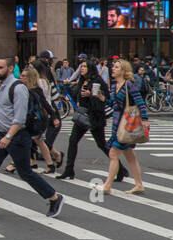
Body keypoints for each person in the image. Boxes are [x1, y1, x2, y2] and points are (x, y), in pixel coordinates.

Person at [0, 56, 65, 219]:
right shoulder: (2, 85)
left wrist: (8, 136)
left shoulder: (18, 88)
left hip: (17, 136)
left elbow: (19, 119)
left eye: (0, 68)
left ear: (11, 69)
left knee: (25, 172)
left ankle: (54, 197)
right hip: (0, 133)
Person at [56, 60, 127, 183]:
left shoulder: (97, 81)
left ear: (90, 68)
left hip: (95, 117)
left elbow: (105, 99)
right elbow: (76, 96)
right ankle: (69, 170)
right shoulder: (82, 81)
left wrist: (91, 95)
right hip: (82, 116)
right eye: (81, 66)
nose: (82, 68)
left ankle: (120, 169)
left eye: (84, 66)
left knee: (102, 144)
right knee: (73, 140)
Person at [98, 59, 148, 195]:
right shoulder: (115, 86)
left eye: (116, 67)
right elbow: (114, 104)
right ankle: (139, 184)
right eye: (113, 67)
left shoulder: (129, 85)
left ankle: (107, 185)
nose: (113, 69)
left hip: (126, 125)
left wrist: (144, 119)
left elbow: (140, 102)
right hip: (118, 125)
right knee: (130, 156)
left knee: (113, 153)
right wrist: (103, 98)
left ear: (124, 71)